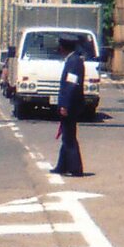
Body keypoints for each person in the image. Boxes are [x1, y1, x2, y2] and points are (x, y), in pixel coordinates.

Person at [52, 35, 85, 177]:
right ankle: (62, 166)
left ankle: (76, 168)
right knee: (66, 136)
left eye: (60, 47)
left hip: (71, 105)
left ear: (64, 47)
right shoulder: (73, 60)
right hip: (71, 104)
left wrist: (65, 105)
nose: (59, 49)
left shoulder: (74, 62)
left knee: (69, 137)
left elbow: (71, 85)